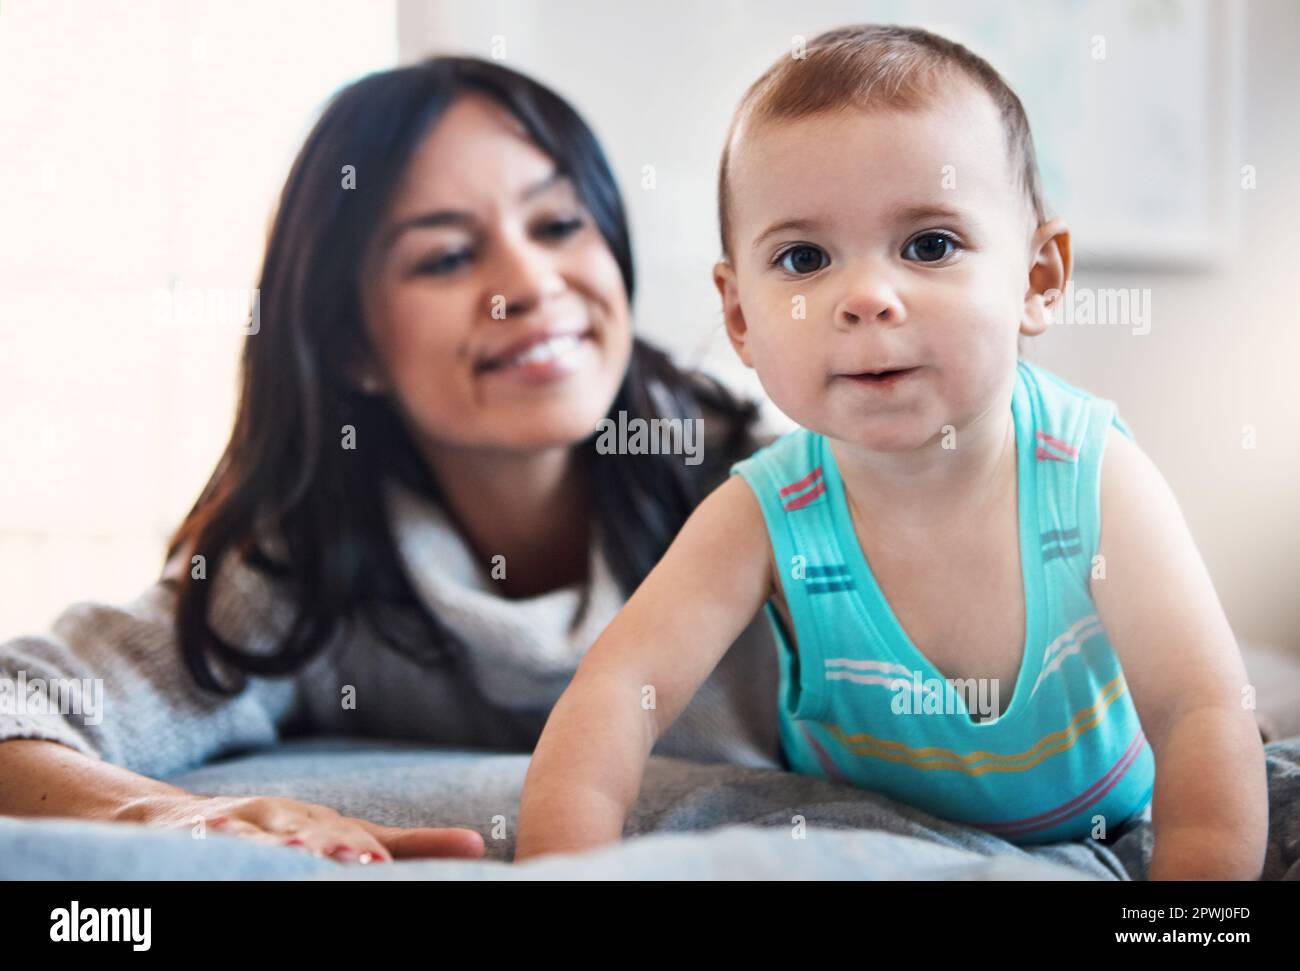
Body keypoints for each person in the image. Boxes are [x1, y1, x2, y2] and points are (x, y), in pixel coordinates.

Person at [515, 25, 1268, 880]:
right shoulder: (762, 512)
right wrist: (562, 868)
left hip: (1103, 816)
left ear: (1038, 279)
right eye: (804, 258)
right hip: (870, 826)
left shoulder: (1091, 477)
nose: (867, 297)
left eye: (929, 245)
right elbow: (619, 693)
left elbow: (1201, 708)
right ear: (740, 320)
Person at [0, 57, 782, 865]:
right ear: (351, 345)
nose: (530, 282)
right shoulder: (300, 575)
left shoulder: (799, 507)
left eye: (557, 225)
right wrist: (160, 815)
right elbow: (14, 706)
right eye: (445, 257)